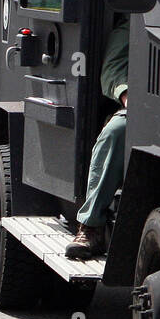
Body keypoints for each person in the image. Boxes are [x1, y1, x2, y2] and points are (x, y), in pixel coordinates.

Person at [65, 17, 130, 259]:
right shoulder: (136, 22)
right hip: (141, 108)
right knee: (116, 132)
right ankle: (91, 226)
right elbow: (113, 70)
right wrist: (126, 95)